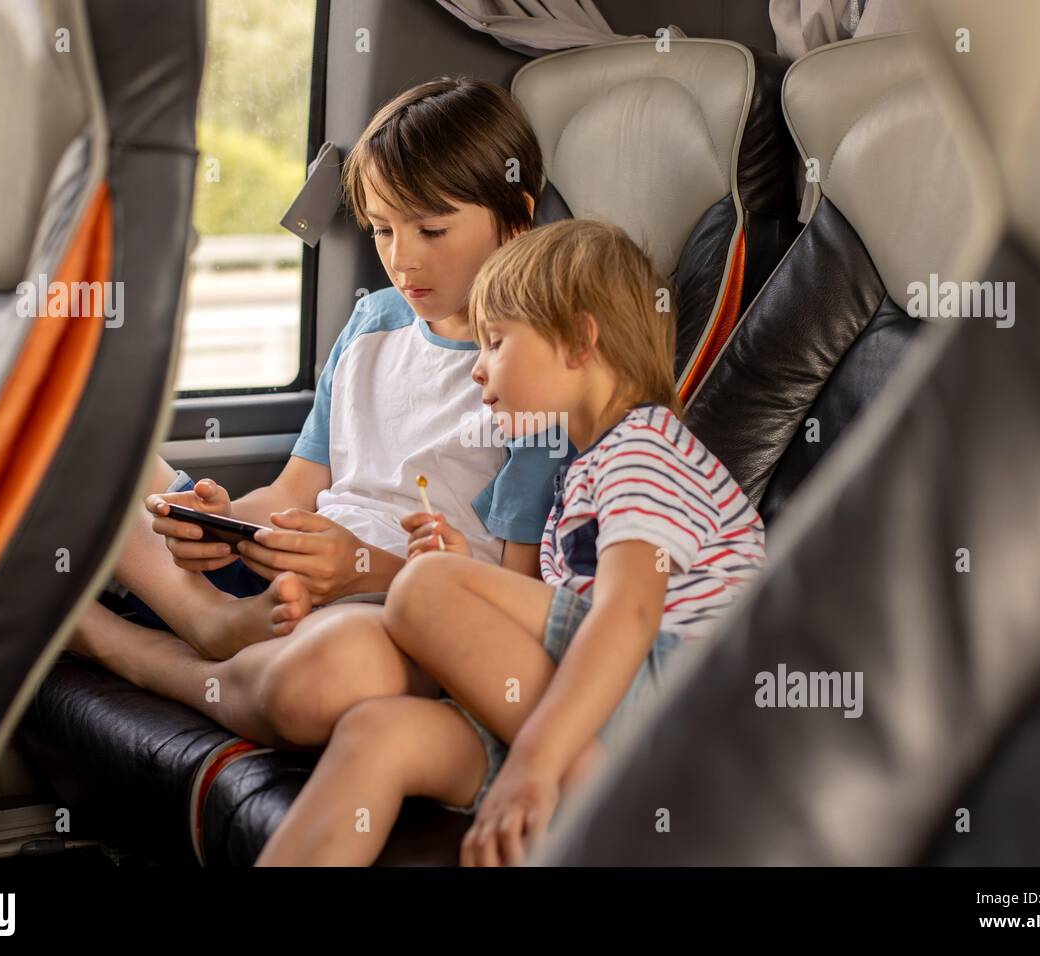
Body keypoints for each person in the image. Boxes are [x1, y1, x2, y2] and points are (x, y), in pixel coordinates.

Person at [69, 77, 566, 751]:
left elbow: (515, 597)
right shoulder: (372, 323)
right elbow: (292, 492)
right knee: (81, 451)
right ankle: (212, 621)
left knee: (322, 683)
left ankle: (139, 648)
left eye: (432, 229)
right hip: (290, 577)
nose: (401, 257)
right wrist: (227, 521)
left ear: (515, 217)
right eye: (384, 229)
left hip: (394, 607)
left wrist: (361, 567)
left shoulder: (536, 373)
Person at [255, 219, 766, 866]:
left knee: (422, 588)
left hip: (676, 713)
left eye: (496, 342)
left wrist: (534, 761)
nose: (478, 369)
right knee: (378, 732)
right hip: (593, 712)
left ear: (580, 341)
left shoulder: (646, 450)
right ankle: (587, 780)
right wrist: (468, 579)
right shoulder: (584, 470)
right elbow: (553, 619)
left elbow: (629, 612)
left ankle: (599, 791)